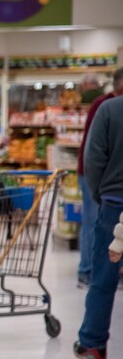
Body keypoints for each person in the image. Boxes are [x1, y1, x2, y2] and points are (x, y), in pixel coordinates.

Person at [74, 94, 123, 359]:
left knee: (104, 275)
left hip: (115, 203)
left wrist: (98, 195)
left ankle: (93, 345)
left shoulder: (109, 109)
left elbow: (93, 158)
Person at [76, 67, 123, 289]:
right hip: (94, 178)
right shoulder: (103, 105)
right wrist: (98, 190)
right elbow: (93, 152)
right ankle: (86, 270)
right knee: (93, 222)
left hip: (106, 184)